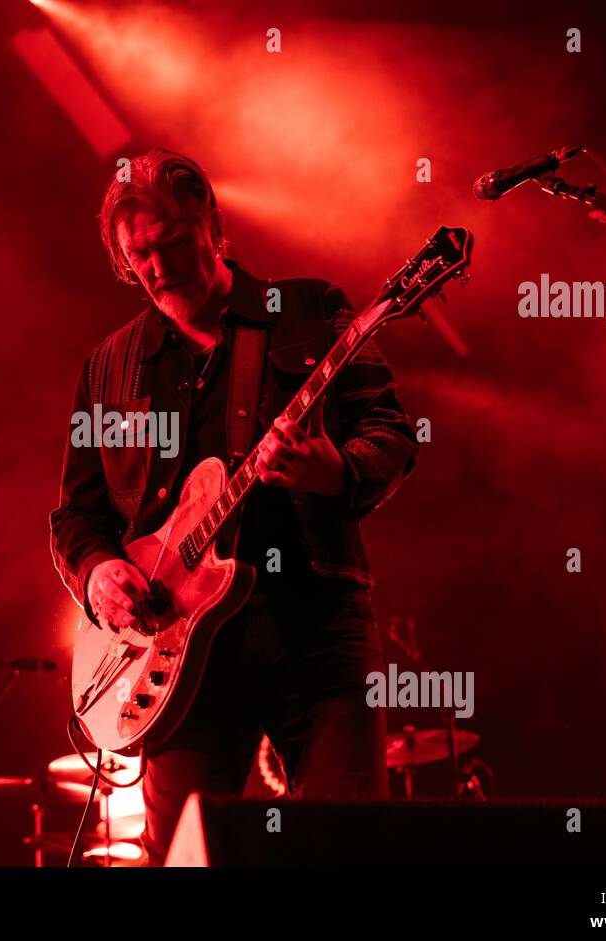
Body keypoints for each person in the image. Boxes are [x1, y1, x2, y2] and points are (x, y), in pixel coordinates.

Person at [50, 149, 419, 865]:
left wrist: (332, 471)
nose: (157, 268)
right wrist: (98, 573)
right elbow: (76, 516)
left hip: (315, 625)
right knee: (184, 857)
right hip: (176, 655)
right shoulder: (109, 368)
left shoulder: (310, 311)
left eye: (172, 243)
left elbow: (393, 436)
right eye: (139, 256)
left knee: (350, 847)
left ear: (211, 224)